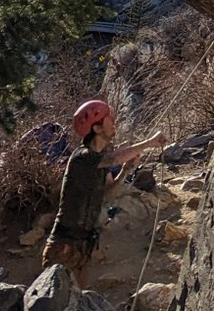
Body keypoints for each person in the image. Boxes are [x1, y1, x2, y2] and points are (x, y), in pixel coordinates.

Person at [40, 98, 166, 284]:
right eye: (108, 119)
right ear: (97, 129)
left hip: (81, 247)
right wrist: (149, 143)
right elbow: (115, 158)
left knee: (76, 305)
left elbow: (108, 194)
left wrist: (126, 171)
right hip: (64, 247)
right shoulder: (82, 158)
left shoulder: (98, 163)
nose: (113, 121)